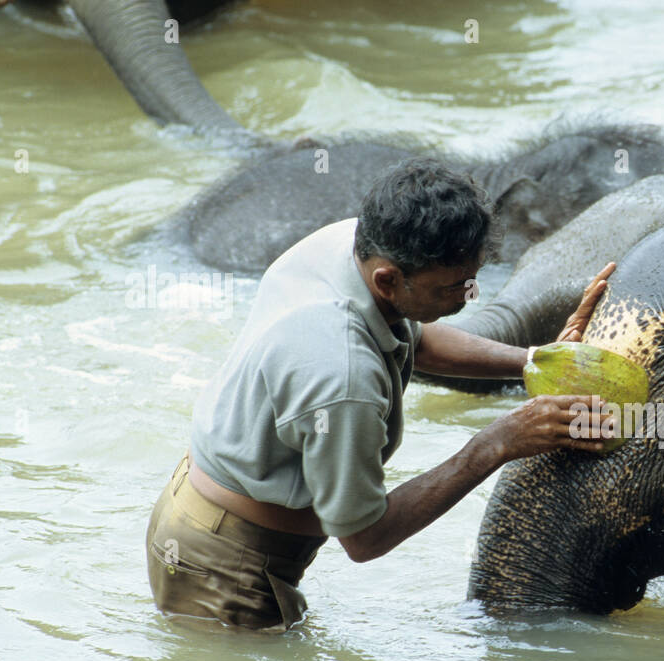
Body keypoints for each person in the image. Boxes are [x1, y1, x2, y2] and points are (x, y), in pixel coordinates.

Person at [146, 158, 616, 631]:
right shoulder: (341, 378)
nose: (469, 298)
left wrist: (533, 359)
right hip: (223, 567)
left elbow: (418, 338)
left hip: (202, 514)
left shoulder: (352, 243)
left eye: (473, 279)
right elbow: (365, 538)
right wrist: (496, 444)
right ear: (388, 280)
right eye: (454, 287)